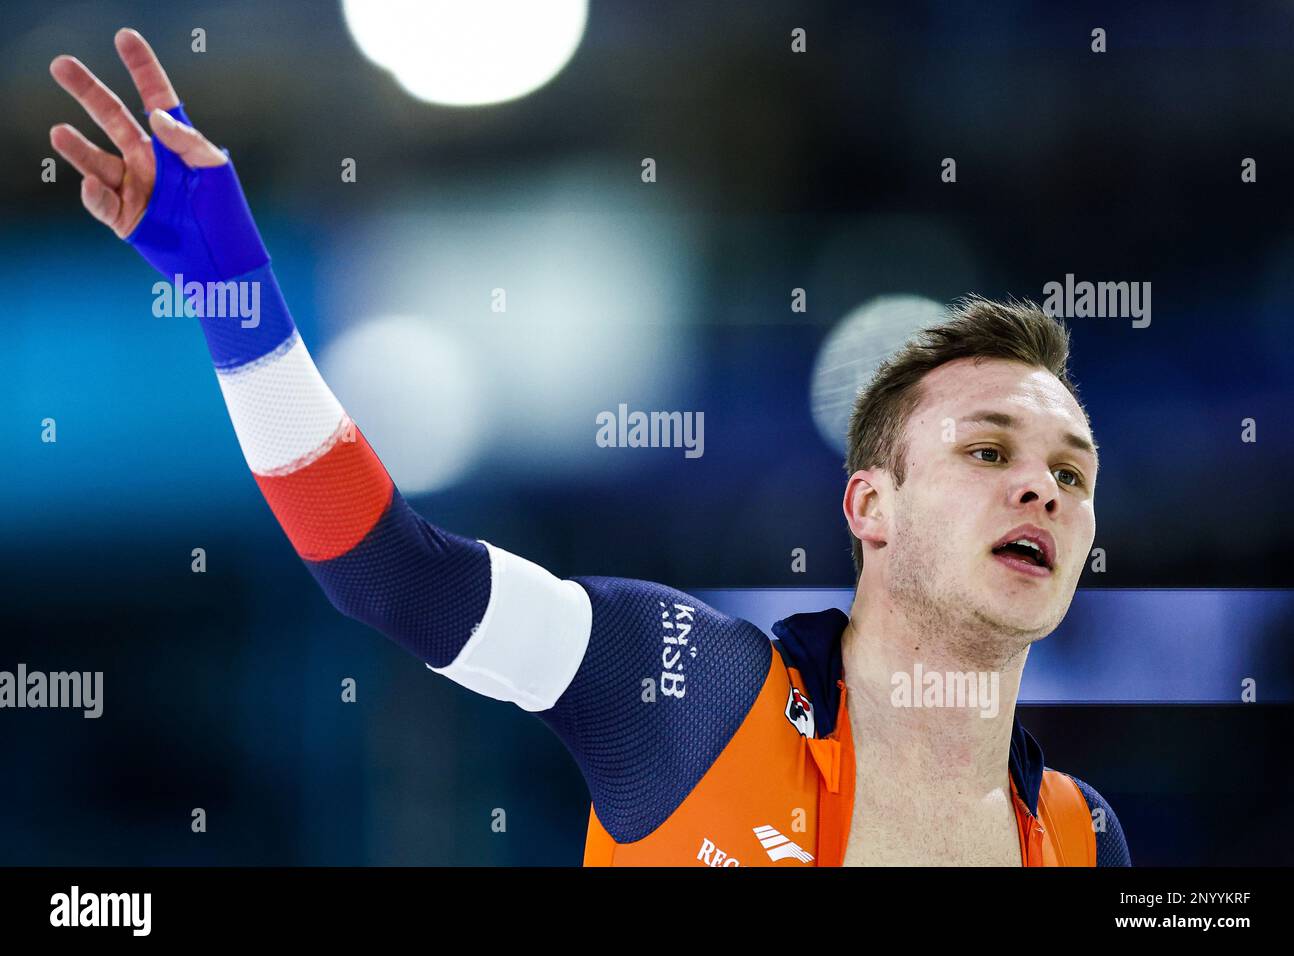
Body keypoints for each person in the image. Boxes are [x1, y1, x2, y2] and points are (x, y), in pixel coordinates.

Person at [49, 28, 1130, 867]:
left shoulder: (1086, 839)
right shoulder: (685, 685)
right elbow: (391, 571)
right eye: (986, 451)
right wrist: (235, 293)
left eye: (1071, 472)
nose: (1041, 486)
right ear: (869, 508)